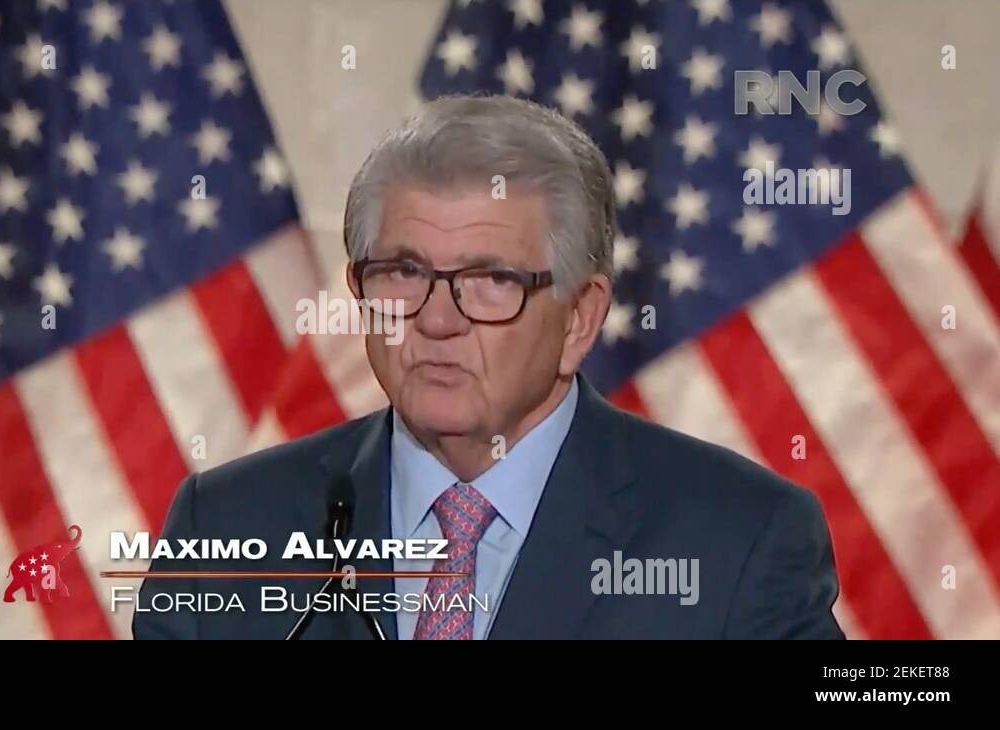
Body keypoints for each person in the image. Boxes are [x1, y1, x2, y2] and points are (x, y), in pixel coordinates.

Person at [133, 94, 844, 640]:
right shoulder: (223, 525)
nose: (436, 319)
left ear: (580, 318)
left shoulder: (739, 539)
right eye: (403, 272)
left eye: (492, 281)